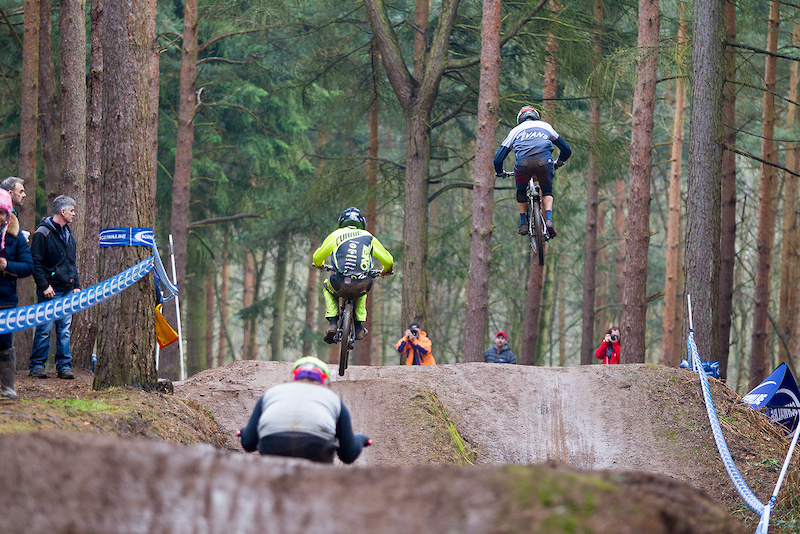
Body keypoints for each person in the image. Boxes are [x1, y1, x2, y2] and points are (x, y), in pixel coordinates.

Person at [238, 357, 371, 464]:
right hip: (316, 448)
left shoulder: (271, 393)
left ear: (294, 377)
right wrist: (360, 439)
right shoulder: (333, 399)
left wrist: (243, 432)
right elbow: (348, 454)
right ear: (325, 380)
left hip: (273, 444)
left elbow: (249, 443)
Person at [312, 207, 393, 344]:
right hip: (362, 284)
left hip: (340, 283)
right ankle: (359, 326)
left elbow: (317, 256)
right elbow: (388, 260)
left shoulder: (336, 235)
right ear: (362, 223)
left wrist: (319, 264)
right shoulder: (369, 237)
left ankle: (332, 323)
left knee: (327, 287)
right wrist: (386, 270)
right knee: (362, 290)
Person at [493, 106, 572, 238]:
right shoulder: (545, 126)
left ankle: (523, 223)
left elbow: (497, 159)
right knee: (546, 191)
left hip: (523, 165)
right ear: (536, 116)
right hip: (545, 162)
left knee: (521, 190)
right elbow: (567, 150)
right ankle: (548, 220)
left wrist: (500, 172)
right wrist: (558, 162)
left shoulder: (515, 131)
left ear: (520, 119)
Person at [28, 195, 80, 380]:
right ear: (62, 211)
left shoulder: (70, 236)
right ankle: (36, 366)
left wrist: (77, 285)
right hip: (50, 291)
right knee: (44, 328)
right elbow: (35, 262)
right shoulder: (43, 233)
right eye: (72, 210)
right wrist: (44, 286)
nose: (74, 214)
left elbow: (72, 263)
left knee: (64, 329)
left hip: (68, 290)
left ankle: (64, 366)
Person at [0, 189, 33, 399]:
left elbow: (28, 266)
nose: (0, 217)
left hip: (5, 299)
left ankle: (8, 388)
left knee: (4, 343)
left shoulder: (16, 236)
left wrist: (7, 265)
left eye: (3, 213)